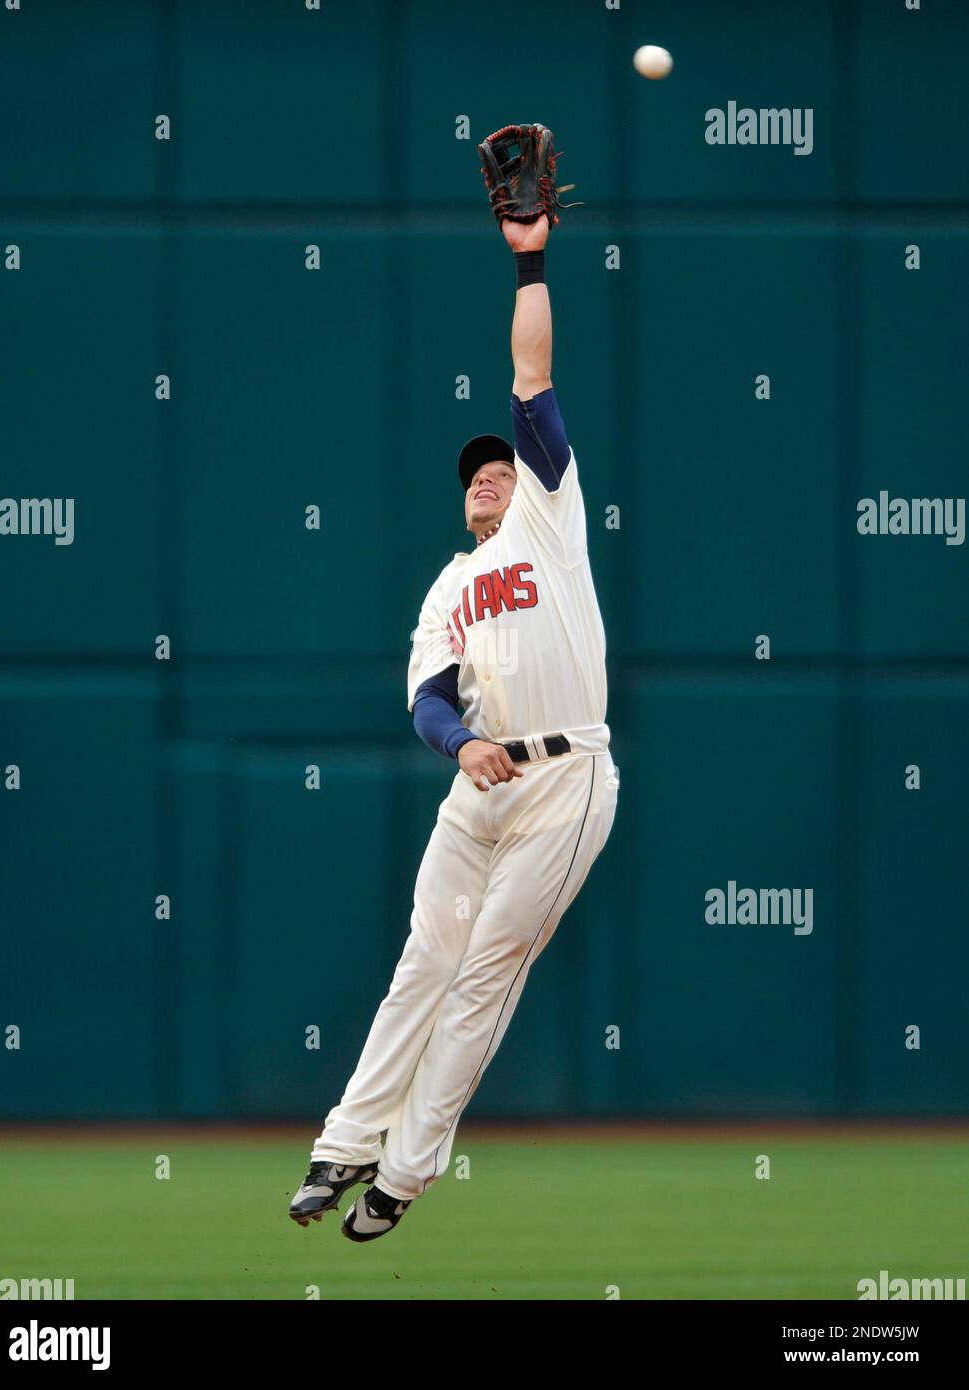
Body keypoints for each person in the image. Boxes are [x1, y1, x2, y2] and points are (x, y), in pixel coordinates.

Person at [289, 208, 617, 1243]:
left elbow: (530, 373)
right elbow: (430, 700)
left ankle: (404, 1171)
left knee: (482, 975)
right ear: (460, 503)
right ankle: (343, 1143)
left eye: (499, 465)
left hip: (567, 781)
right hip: (479, 785)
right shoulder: (449, 584)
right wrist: (457, 743)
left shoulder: (547, 516)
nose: (487, 472)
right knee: (422, 964)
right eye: (472, 471)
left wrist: (529, 256)